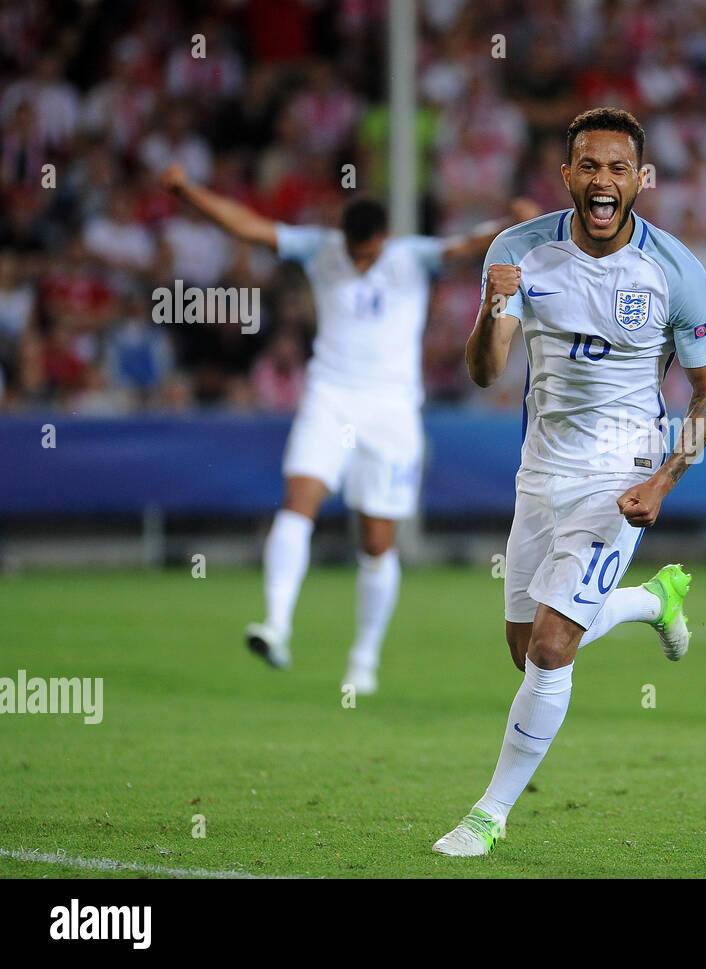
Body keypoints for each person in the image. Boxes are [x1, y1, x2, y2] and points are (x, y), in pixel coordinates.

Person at [434, 107, 706, 856]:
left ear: (639, 179)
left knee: (553, 644)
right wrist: (495, 306)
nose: (603, 182)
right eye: (589, 167)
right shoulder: (517, 251)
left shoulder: (676, 270)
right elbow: (485, 371)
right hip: (541, 470)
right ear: (566, 176)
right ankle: (651, 600)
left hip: (622, 470)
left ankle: (488, 815)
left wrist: (664, 480)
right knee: (522, 643)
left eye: (618, 168)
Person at [160, 161, 537, 694]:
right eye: (355, 252)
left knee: (377, 542)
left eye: (369, 253)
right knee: (297, 504)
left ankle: (363, 661)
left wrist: (516, 221)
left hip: (391, 411)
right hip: (329, 398)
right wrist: (186, 191)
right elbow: (247, 226)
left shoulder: (412, 256)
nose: (361, 261)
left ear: (384, 239)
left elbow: (471, 243)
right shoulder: (321, 249)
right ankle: (276, 625)